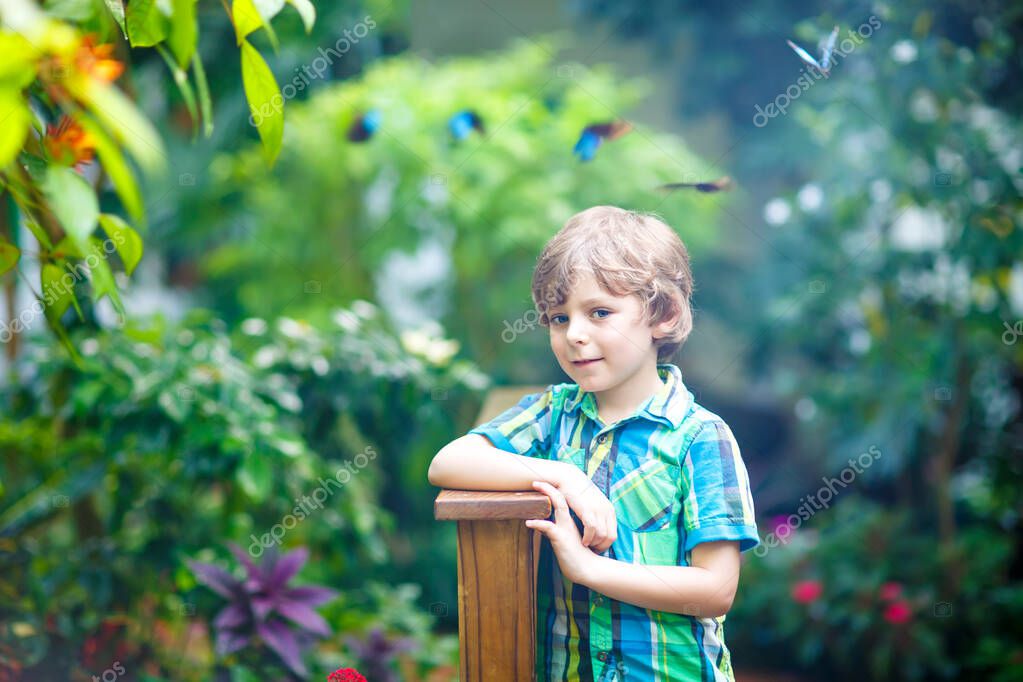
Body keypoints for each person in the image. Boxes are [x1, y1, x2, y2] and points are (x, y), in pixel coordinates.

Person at [428, 205, 760, 681]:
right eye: (558, 318)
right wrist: (565, 476)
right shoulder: (552, 413)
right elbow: (449, 461)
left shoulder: (700, 438)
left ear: (662, 314)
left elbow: (715, 589)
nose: (575, 335)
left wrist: (588, 569)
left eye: (599, 312)